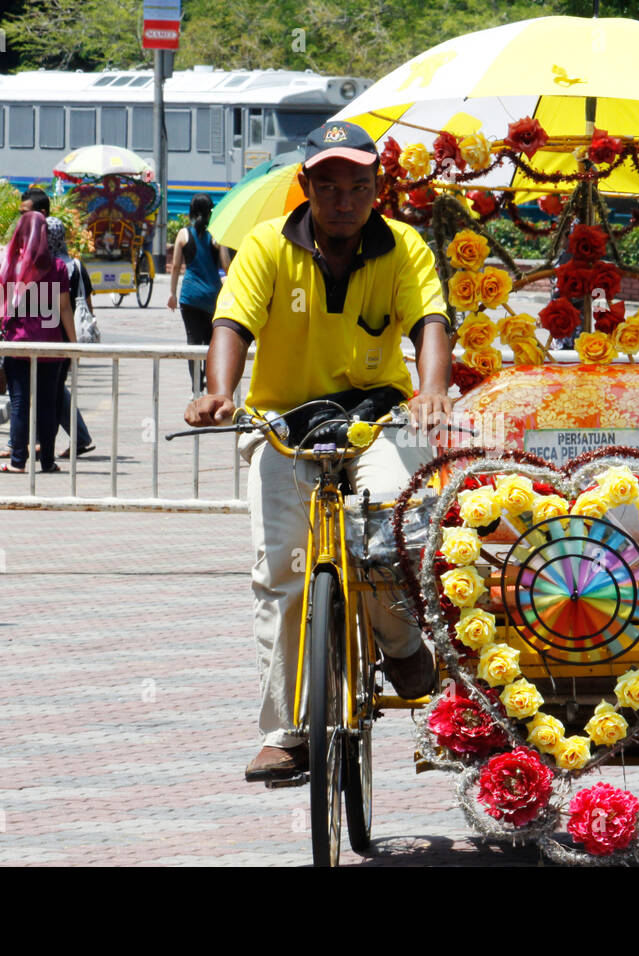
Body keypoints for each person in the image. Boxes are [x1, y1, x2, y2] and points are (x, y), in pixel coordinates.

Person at [184, 121, 452, 783]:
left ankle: (401, 643)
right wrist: (219, 393)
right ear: (305, 187)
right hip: (283, 422)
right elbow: (231, 322)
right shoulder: (266, 248)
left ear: (376, 189)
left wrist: (434, 390)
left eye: (357, 185)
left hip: (375, 417)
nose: (342, 198)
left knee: (392, 522)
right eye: (328, 185)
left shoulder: (404, 247)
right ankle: (287, 732)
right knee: (280, 571)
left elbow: (431, 322)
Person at [0, 211, 76, 473]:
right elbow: (64, 308)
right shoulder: (57, 267)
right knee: (48, 404)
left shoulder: (8, 264)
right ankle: (47, 461)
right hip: (51, 346)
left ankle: (17, 462)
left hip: (18, 344)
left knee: (20, 403)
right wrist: (74, 343)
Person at [167, 193, 230, 392]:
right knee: (213, 343)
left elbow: (176, 266)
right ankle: (212, 386)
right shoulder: (217, 235)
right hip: (213, 297)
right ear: (211, 211)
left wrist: (172, 294)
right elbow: (227, 266)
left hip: (190, 297)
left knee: (193, 343)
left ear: (192, 212)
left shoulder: (183, 234)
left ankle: (196, 389)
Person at [46, 216, 96, 458]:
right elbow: (87, 303)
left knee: (52, 390)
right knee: (54, 389)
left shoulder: (46, 266)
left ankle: (67, 440)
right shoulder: (75, 265)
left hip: (50, 336)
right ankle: (74, 438)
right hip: (68, 336)